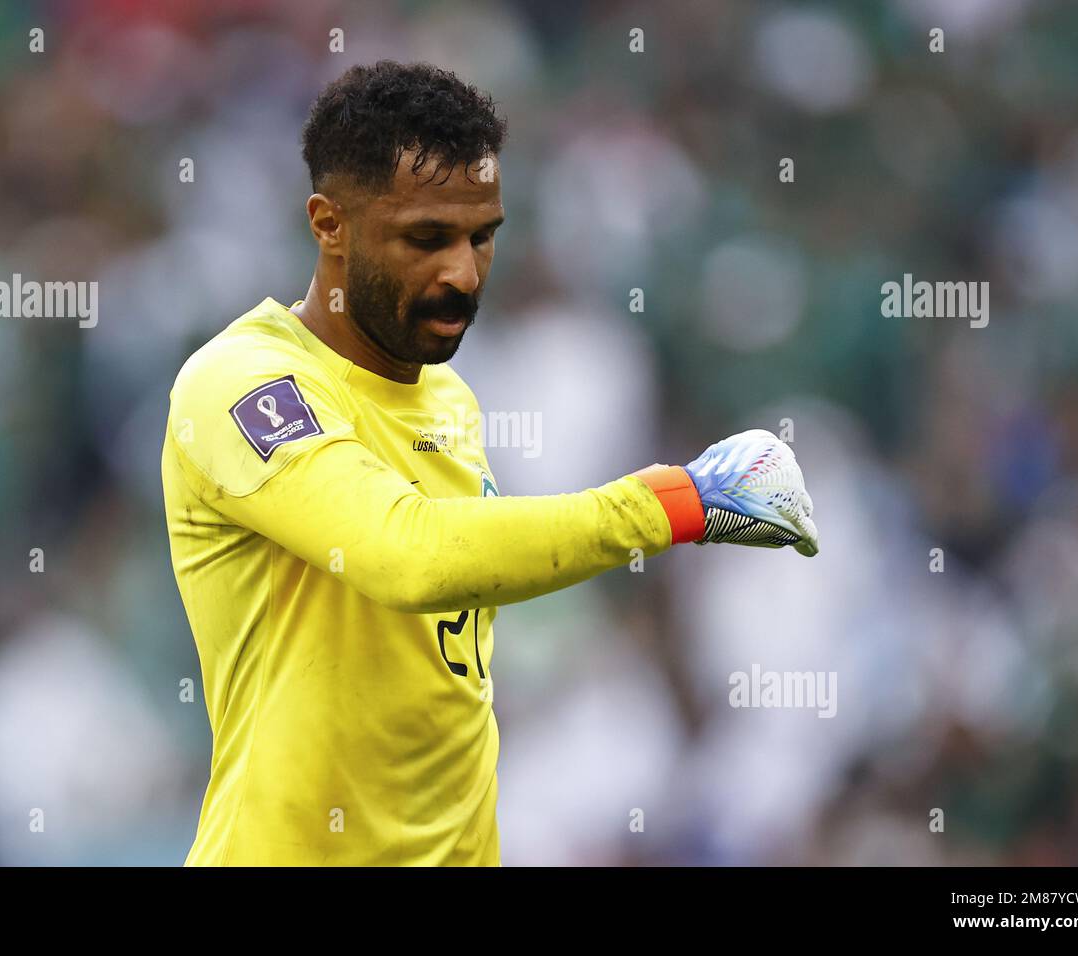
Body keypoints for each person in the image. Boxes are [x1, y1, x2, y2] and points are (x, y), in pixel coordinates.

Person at [161, 60, 818, 866]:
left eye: (483, 237)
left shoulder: (451, 404)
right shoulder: (239, 384)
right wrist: (675, 504)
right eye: (426, 239)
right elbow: (409, 556)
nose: (464, 275)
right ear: (329, 224)